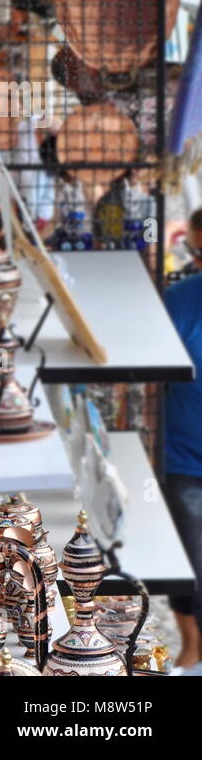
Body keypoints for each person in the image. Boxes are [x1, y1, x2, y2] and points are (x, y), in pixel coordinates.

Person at [162, 206, 202, 668]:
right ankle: (193, 646)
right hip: (185, 458)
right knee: (186, 563)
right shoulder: (180, 298)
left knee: (188, 561)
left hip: (184, 455)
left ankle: (194, 647)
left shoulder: (179, 297)